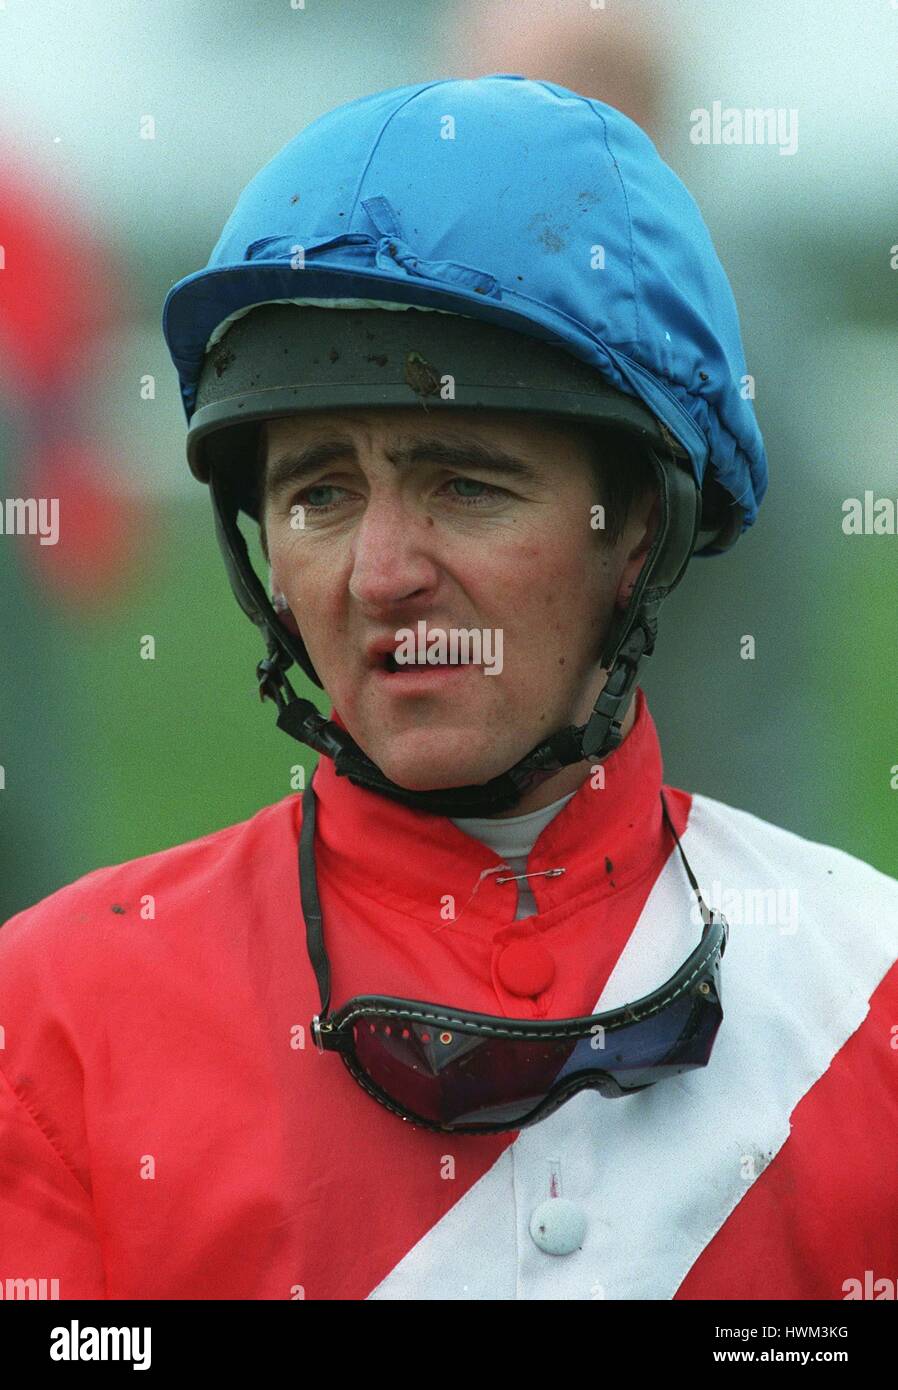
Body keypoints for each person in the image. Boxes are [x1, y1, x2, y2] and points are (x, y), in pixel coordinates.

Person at [1, 76, 896, 1303]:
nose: (382, 576)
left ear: (637, 528)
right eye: (318, 493)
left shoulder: (872, 995)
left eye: (464, 484)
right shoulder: (49, 1019)